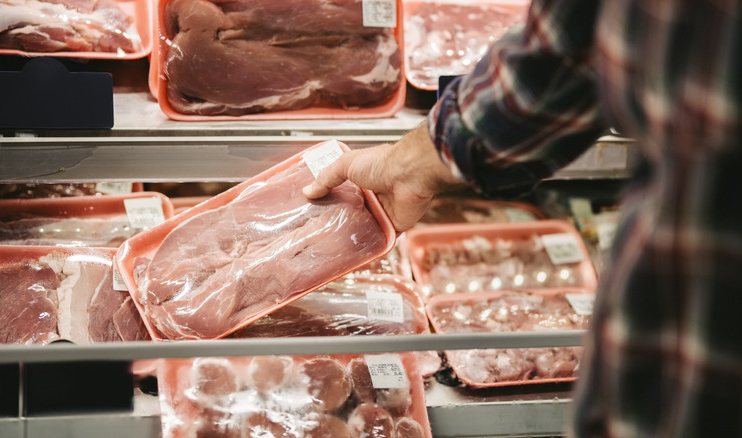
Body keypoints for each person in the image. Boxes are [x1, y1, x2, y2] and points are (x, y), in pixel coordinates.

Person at [304, 0, 742, 436]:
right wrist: (408, 168)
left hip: (694, 332)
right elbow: (567, 55)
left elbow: (561, 56)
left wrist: (411, 165)